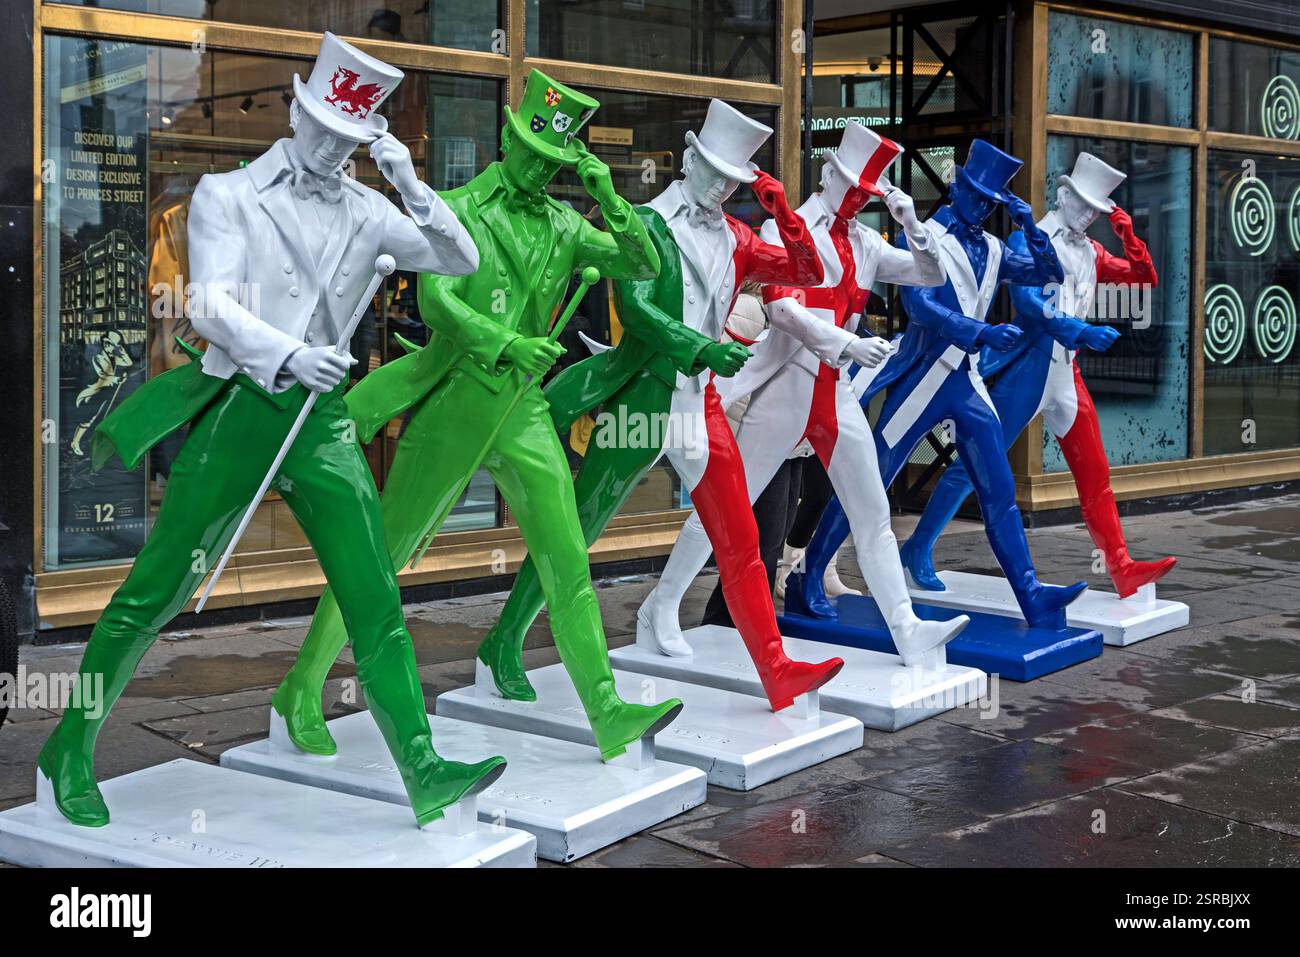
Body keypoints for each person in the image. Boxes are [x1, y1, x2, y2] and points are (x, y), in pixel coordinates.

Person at [39, 33, 504, 829]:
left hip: (319, 426)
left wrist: (411, 182)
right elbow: (210, 304)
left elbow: (458, 259)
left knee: (374, 594)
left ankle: (423, 768)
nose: (331, 147)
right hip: (244, 409)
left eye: (350, 138)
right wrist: (290, 352)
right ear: (294, 109)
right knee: (159, 587)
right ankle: (69, 745)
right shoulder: (227, 195)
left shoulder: (368, 208)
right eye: (322, 126)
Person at [274, 69, 684, 761]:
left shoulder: (563, 221)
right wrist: (506, 341)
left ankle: (608, 710)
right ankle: (302, 684)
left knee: (567, 560)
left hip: (522, 411)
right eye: (532, 152)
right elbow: (436, 304)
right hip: (458, 397)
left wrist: (609, 196)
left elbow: (639, 261)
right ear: (508, 137)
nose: (541, 168)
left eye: (554, 161)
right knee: (380, 558)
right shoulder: (457, 205)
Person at [644, 123, 968, 665]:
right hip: (787, 387)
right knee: (729, 505)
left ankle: (907, 629)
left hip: (835, 392)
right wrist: (846, 342)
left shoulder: (867, 242)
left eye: (868, 192)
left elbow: (931, 275)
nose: (860, 197)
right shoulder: (784, 228)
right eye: (853, 186)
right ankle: (663, 603)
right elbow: (781, 308)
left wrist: (913, 222)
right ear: (827, 175)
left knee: (873, 513)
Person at [789, 139, 1087, 632]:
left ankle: (1033, 595)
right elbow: (920, 306)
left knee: (1000, 491)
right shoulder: (923, 234)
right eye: (977, 194)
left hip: (965, 380)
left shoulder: (992, 247)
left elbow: (1048, 272)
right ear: (957, 186)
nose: (983, 205)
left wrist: (1030, 226)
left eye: (991, 201)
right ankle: (809, 574)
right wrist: (982, 331)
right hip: (922, 377)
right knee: (871, 484)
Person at [899, 152, 1174, 599]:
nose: (1088, 215)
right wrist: (1078, 329)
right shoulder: (1030, 240)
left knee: (1094, 472)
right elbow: (1028, 303)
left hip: (1066, 372)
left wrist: (1127, 233)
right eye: (1083, 204)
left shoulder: (1092, 250)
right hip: (1029, 365)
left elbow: (1144, 277)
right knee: (976, 464)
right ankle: (918, 546)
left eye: (1097, 210)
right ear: (1063, 195)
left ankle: (1120, 564)